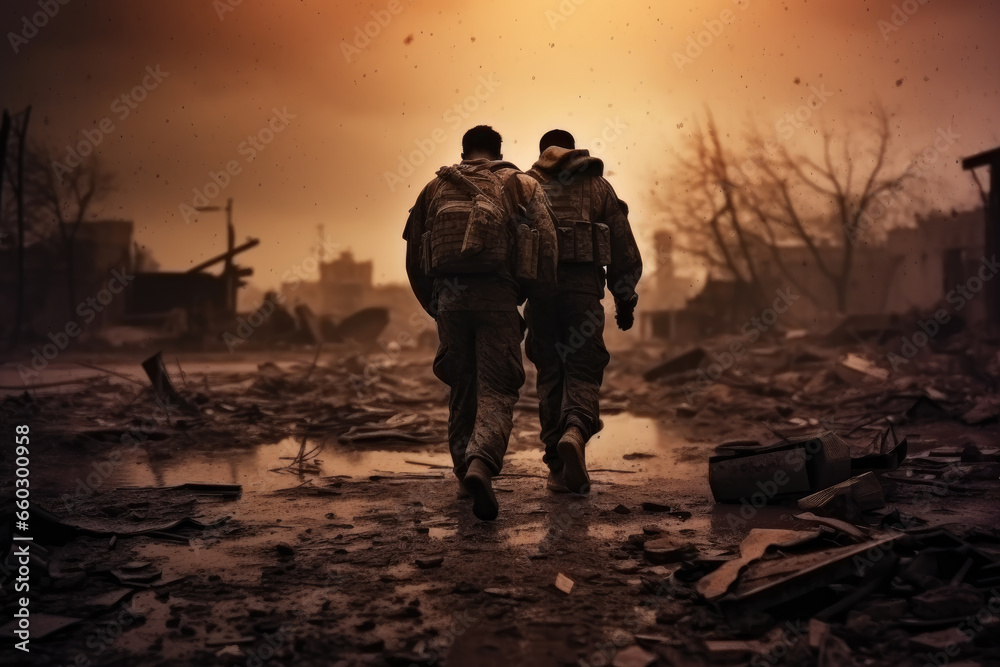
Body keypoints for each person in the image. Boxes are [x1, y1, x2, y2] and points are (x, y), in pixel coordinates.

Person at [403, 125, 557, 520]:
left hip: (450, 303)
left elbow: (414, 257)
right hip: (499, 300)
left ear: (464, 151)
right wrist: (529, 298)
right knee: (498, 389)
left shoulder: (433, 188)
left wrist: (435, 304)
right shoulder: (521, 184)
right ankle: (481, 464)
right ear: (499, 151)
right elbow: (548, 247)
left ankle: (462, 475)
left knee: (462, 387)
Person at [524, 129, 642, 495]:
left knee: (550, 374)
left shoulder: (525, 187)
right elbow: (622, 249)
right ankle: (575, 431)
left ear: (543, 152)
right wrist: (624, 300)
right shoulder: (599, 187)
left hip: (540, 297)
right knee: (584, 368)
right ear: (573, 150)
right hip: (583, 294)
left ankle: (557, 468)